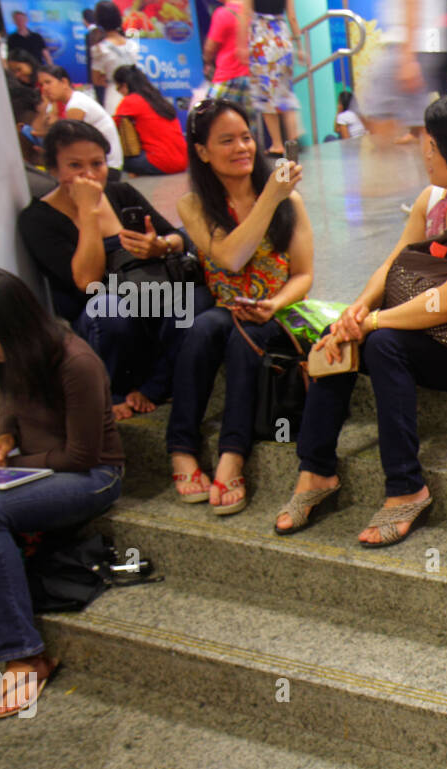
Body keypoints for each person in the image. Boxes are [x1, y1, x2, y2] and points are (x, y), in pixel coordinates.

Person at [274, 95, 447, 544]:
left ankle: (407, 487)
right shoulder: (432, 199)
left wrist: (373, 323)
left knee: (381, 342)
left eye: (430, 144)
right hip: (424, 330)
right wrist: (355, 312)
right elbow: (396, 263)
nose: (422, 151)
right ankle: (315, 471)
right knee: (335, 334)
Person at [0, 265, 124, 717]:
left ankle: (25, 654)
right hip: (33, 470)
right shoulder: (10, 356)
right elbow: (11, 405)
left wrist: (12, 465)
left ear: (15, 328)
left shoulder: (76, 361)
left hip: (94, 476)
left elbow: (81, 457)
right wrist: (0, 442)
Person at [169, 98, 313, 515]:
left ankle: (233, 453)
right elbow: (230, 257)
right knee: (201, 330)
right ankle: (181, 448)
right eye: (227, 141)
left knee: (242, 337)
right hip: (226, 307)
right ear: (202, 152)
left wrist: (274, 303)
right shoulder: (193, 206)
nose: (242, 148)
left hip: (278, 313)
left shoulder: (291, 202)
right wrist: (269, 198)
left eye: (247, 138)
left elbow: (303, 275)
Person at [17, 120, 187, 421]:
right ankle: (113, 391)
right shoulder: (37, 219)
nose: (89, 175)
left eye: (97, 163)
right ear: (54, 170)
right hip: (100, 318)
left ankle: (156, 386)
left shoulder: (121, 193)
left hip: (147, 297)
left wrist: (160, 246)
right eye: (75, 165)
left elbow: (178, 237)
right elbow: (86, 281)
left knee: (190, 300)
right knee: (109, 308)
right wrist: (88, 213)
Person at [361, 0, 447, 147]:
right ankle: (434, 167)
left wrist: (408, 59)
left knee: (378, 116)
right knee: (419, 123)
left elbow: (412, 4)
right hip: (418, 46)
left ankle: (386, 167)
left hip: (406, 47)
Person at [237, 0, 306, 156]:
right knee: (285, 92)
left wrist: (241, 45)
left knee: (265, 94)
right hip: (282, 39)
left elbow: (244, 14)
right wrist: (300, 47)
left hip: (262, 40)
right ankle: (293, 140)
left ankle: (277, 144)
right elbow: (292, 17)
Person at [35, 65, 124, 171]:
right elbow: (43, 130)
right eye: (41, 85)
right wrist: (48, 107)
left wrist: (39, 131)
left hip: (107, 167)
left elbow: (65, 138)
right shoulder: (66, 101)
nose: (44, 88)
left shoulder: (76, 103)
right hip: (98, 162)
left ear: (64, 82)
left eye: (48, 82)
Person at [113, 65, 188, 175]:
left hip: (160, 161)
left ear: (124, 85)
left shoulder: (130, 101)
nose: (119, 92)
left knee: (114, 161)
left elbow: (113, 127)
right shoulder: (157, 98)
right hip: (183, 161)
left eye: (118, 88)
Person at [89, 1, 139, 115]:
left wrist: (107, 78)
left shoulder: (99, 49)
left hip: (114, 93)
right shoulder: (133, 45)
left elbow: (95, 79)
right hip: (136, 92)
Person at [204, 0, 251, 110]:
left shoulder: (223, 13)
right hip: (250, 77)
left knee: (209, 114)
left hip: (227, 75)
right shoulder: (252, 14)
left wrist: (207, 62)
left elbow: (210, 47)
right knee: (246, 122)